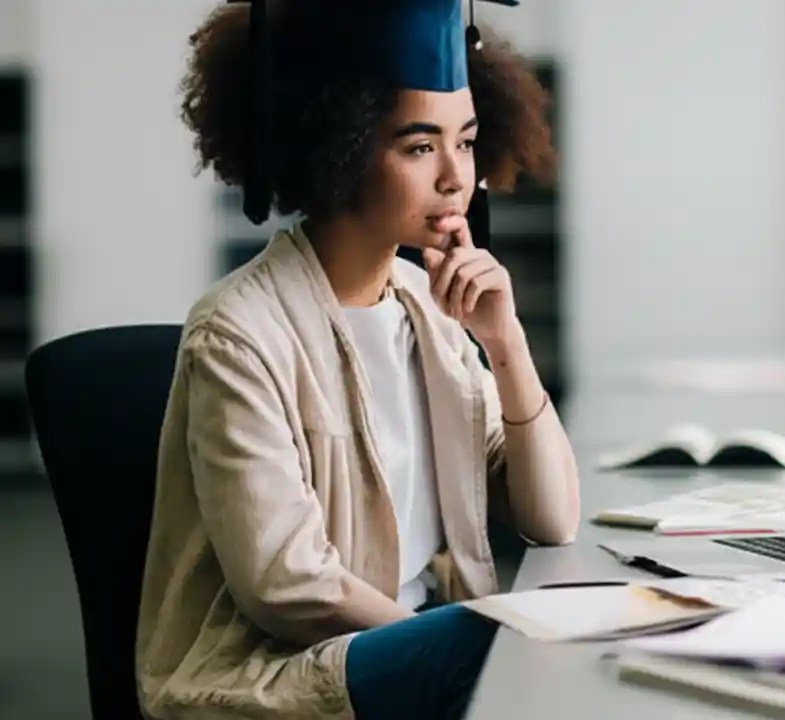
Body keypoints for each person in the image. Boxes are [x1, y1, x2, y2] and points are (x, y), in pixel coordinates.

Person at [134, 1, 580, 718]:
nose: (454, 178)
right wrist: (460, 646)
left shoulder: (429, 307)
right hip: (275, 678)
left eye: (465, 142)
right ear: (334, 147)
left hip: (417, 651)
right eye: (417, 146)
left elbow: (551, 520)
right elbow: (286, 587)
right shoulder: (237, 333)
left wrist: (505, 342)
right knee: (518, 649)